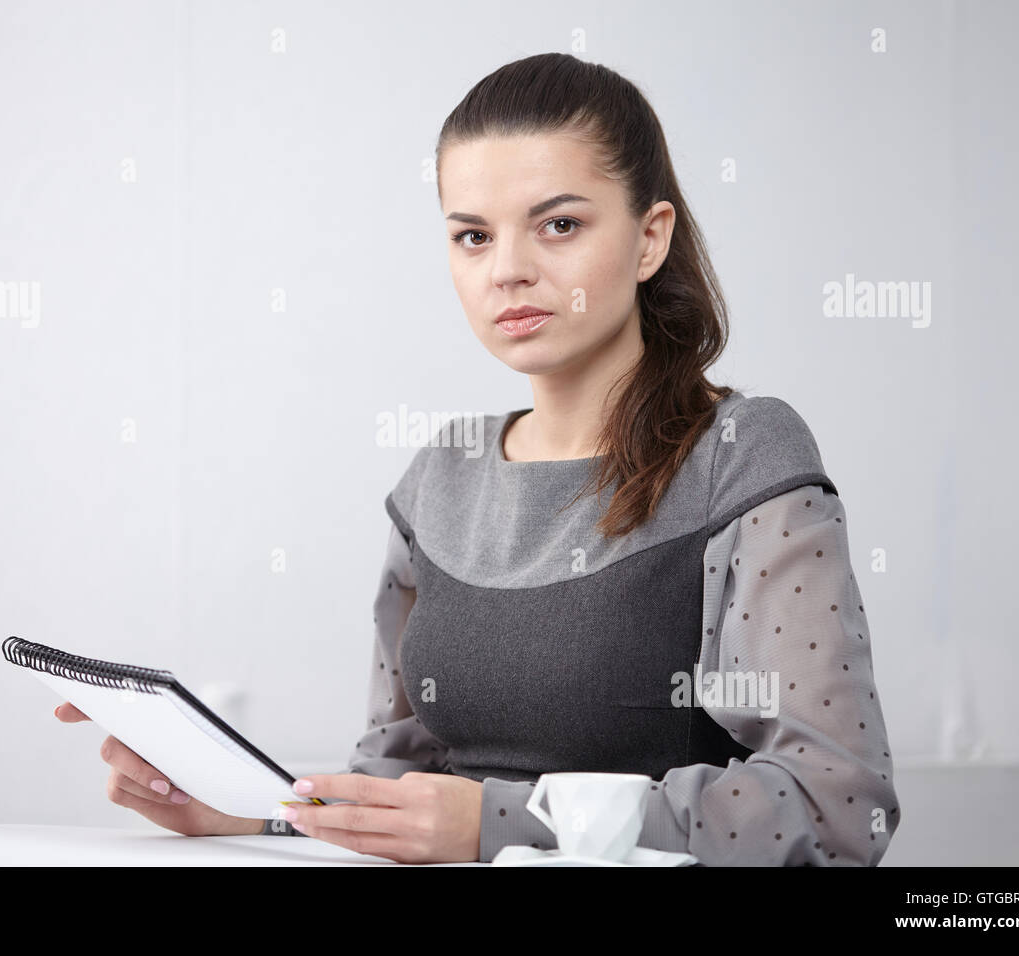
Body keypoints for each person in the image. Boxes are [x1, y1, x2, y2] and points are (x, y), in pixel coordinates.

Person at [56, 51, 900, 866]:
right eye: (471, 236)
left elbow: (836, 807)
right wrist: (237, 804)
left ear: (650, 240)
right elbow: (401, 782)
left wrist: (501, 824)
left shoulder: (742, 455)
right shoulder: (440, 477)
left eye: (558, 225)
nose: (508, 271)